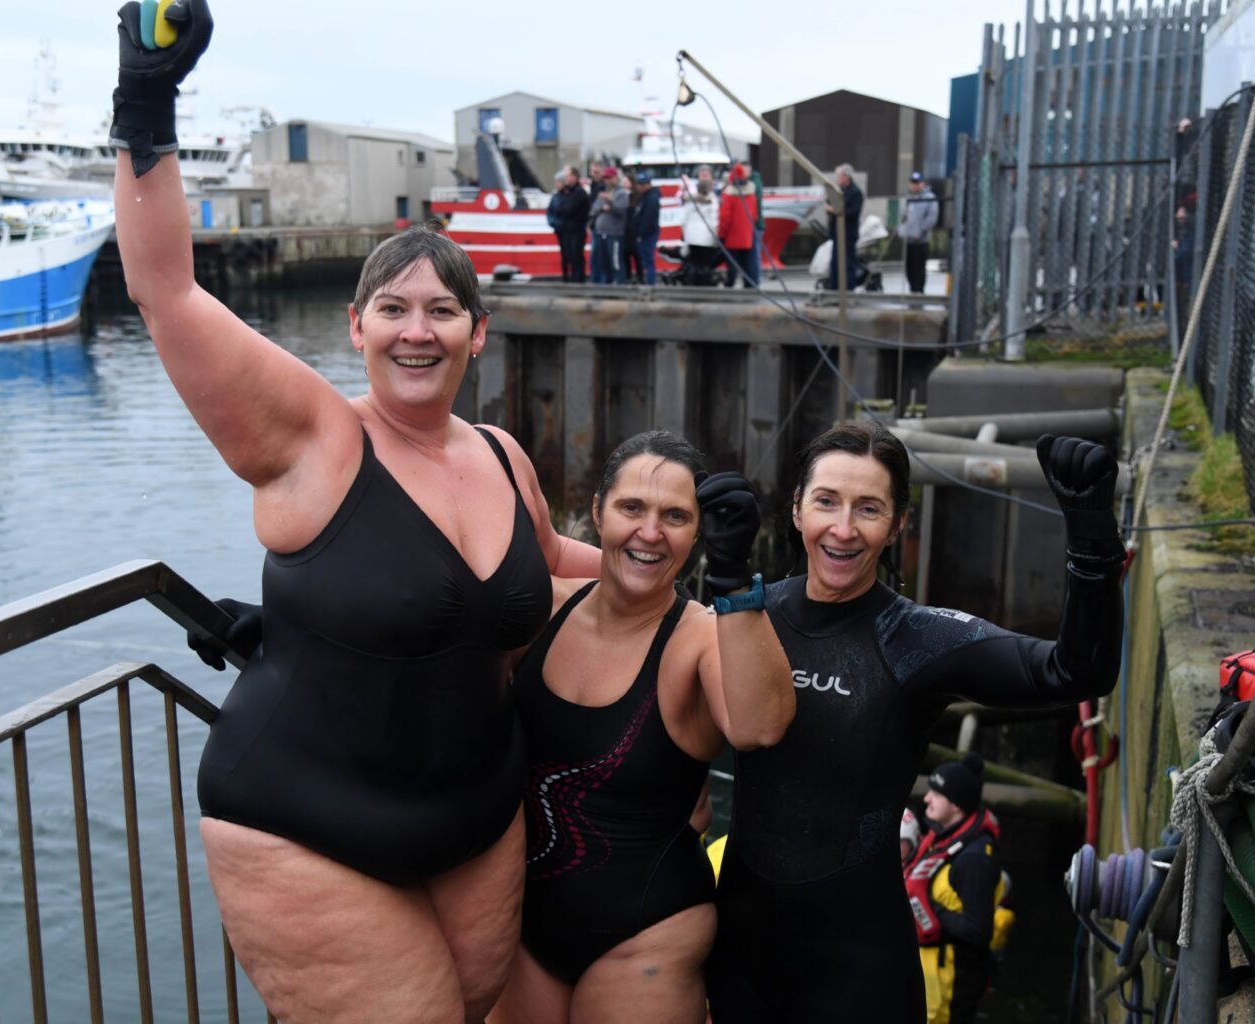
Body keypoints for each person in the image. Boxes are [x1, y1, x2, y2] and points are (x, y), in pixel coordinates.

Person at [109, 5, 602, 1021]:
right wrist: (145, 99)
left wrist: (698, 573)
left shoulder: (504, 456)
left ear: (478, 332)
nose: (417, 331)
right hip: (303, 821)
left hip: (478, 816)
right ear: (356, 326)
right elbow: (165, 289)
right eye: (393, 309)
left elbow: (557, 566)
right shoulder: (312, 437)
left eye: (442, 311)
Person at [704, 423, 1126, 1022]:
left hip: (858, 974)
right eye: (826, 501)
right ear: (795, 509)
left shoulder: (919, 640)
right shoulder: (745, 615)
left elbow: (1074, 673)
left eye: (869, 509)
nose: (843, 529)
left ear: (899, 523)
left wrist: (1091, 537)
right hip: (737, 959)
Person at [491, 432, 795, 1024]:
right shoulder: (542, 609)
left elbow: (760, 727)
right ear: (599, 508)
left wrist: (734, 582)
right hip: (523, 924)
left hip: (647, 935)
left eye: (676, 516)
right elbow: (429, 656)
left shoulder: (702, 637)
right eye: (633, 508)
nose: (650, 533)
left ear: (698, 532)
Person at [906, 754, 1003, 1024]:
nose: (926, 798)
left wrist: (929, 908)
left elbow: (978, 931)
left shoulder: (974, 861)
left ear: (957, 805)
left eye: (936, 794)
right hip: (930, 982)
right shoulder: (943, 837)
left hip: (952, 989)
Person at [822, 163, 865, 291]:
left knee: (848, 263)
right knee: (835, 263)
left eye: (838, 176)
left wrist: (835, 210)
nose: (837, 179)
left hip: (848, 234)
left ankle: (848, 290)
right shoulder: (840, 191)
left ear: (846, 177)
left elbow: (852, 212)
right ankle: (835, 288)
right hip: (837, 234)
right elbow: (833, 206)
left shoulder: (855, 192)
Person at [679, 165, 722, 285]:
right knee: (706, 263)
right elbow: (714, 220)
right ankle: (705, 284)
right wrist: (716, 238)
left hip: (692, 236)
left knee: (694, 262)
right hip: (706, 237)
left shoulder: (690, 199)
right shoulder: (713, 199)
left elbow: (684, 218)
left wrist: (684, 235)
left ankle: (693, 283)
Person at [718, 164, 759, 288]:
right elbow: (754, 216)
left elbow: (725, 217)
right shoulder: (751, 195)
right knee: (747, 262)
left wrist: (721, 234)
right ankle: (749, 284)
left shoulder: (729, 196)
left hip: (732, 236)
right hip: (747, 235)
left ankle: (730, 283)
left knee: (732, 263)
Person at [898, 171, 938, 294]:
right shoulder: (908, 198)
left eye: (917, 183)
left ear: (922, 184)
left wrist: (920, 232)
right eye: (913, 183)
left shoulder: (929, 198)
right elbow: (903, 217)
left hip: (920, 240)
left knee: (919, 267)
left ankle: (918, 290)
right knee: (909, 267)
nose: (915, 186)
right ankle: (912, 289)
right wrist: (902, 231)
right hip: (908, 239)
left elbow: (931, 218)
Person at [591, 167, 629, 284]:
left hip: (614, 234)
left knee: (615, 262)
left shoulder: (621, 193)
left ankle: (620, 284)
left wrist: (610, 203)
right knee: (602, 262)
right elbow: (593, 210)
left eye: (609, 178)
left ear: (615, 178)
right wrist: (603, 208)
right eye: (605, 178)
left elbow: (621, 210)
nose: (606, 180)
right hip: (600, 233)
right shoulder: (603, 193)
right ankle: (605, 286)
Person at [628, 170, 662, 286]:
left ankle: (650, 284)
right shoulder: (645, 197)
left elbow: (648, 219)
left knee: (648, 261)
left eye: (643, 184)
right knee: (645, 261)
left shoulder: (651, 198)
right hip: (644, 234)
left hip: (648, 235)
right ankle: (647, 283)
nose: (640, 187)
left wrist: (640, 234)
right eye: (639, 184)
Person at [557, 166, 590, 283]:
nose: (565, 179)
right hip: (568, 230)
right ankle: (571, 280)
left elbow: (568, 209)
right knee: (569, 257)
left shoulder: (579, 192)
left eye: (568, 176)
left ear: (574, 177)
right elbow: (559, 207)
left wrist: (563, 209)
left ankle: (578, 281)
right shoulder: (567, 192)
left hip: (577, 230)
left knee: (576, 257)